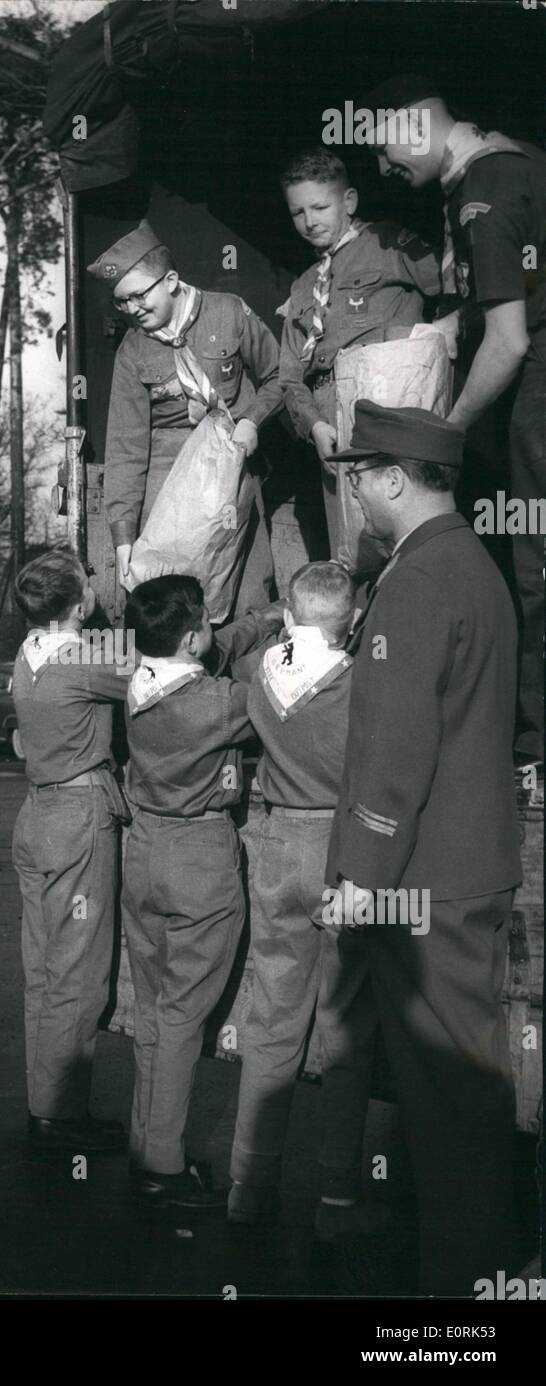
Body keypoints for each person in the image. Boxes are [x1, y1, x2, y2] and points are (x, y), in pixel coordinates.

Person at [325, 401, 522, 1295]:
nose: (355, 494)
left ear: (393, 478)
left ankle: (460, 1302)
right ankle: (484, 1265)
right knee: (470, 1090)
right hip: (471, 865)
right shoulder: (476, 567)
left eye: (357, 476)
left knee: (445, 1106)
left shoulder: (413, 582)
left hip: (422, 883)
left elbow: (391, 758)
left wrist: (362, 880)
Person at [366, 73, 546, 765]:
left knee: (536, 579)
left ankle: (536, 759)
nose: (385, 168)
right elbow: (510, 295)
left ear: (416, 123)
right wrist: (445, 327)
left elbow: (511, 341)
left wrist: (449, 429)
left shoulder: (481, 198)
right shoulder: (517, 161)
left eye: (385, 151)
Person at [226, 562, 382, 1241]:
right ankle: (338, 1196)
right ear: (352, 624)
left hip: (278, 840)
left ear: (290, 617)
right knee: (342, 1025)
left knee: (271, 1018)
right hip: (339, 847)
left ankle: (248, 1184)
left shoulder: (263, 672)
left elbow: (253, 650)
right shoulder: (361, 683)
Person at [121, 576, 280, 1208]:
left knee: (157, 1012)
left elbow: (211, 646)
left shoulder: (130, 685)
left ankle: (144, 1146)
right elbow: (281, 696)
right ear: (191, 637)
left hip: (144, 856)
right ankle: (164, 1165)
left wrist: (260, 619)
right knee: (185, 1015)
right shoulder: (222, 703)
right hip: (199, 861)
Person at [88, 221, 283, 612]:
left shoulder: (229, 313)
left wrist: (251, 420)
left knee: (247, 602)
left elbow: (280, 377)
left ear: (172, 280)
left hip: (233, 474)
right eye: (121, 301)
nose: (132, 309)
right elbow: (126, 448)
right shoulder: (132, 351)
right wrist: (124, 537)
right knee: (174, 613)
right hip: (168, 493)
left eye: (139, 296)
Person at [10, 550, 132, 1154]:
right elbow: (163, 663)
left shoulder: (26, 659)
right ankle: (61, 1113)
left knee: (44, 970)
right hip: (78, 820)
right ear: (79, 604)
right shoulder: (86, 660)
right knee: (80, 974)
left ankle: (46, 1104)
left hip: (35, 818)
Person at [277, 150, 444, 574]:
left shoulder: (390, 244)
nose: (309, 221)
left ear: (348, 201)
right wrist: (314, 425)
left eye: (320, 207)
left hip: (392, 412)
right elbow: (290, 378)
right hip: (333, 432)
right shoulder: (301, 289)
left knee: (411, 542)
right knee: (353, 554)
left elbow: (453, 283)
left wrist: (448, 329)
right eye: (298, 212)